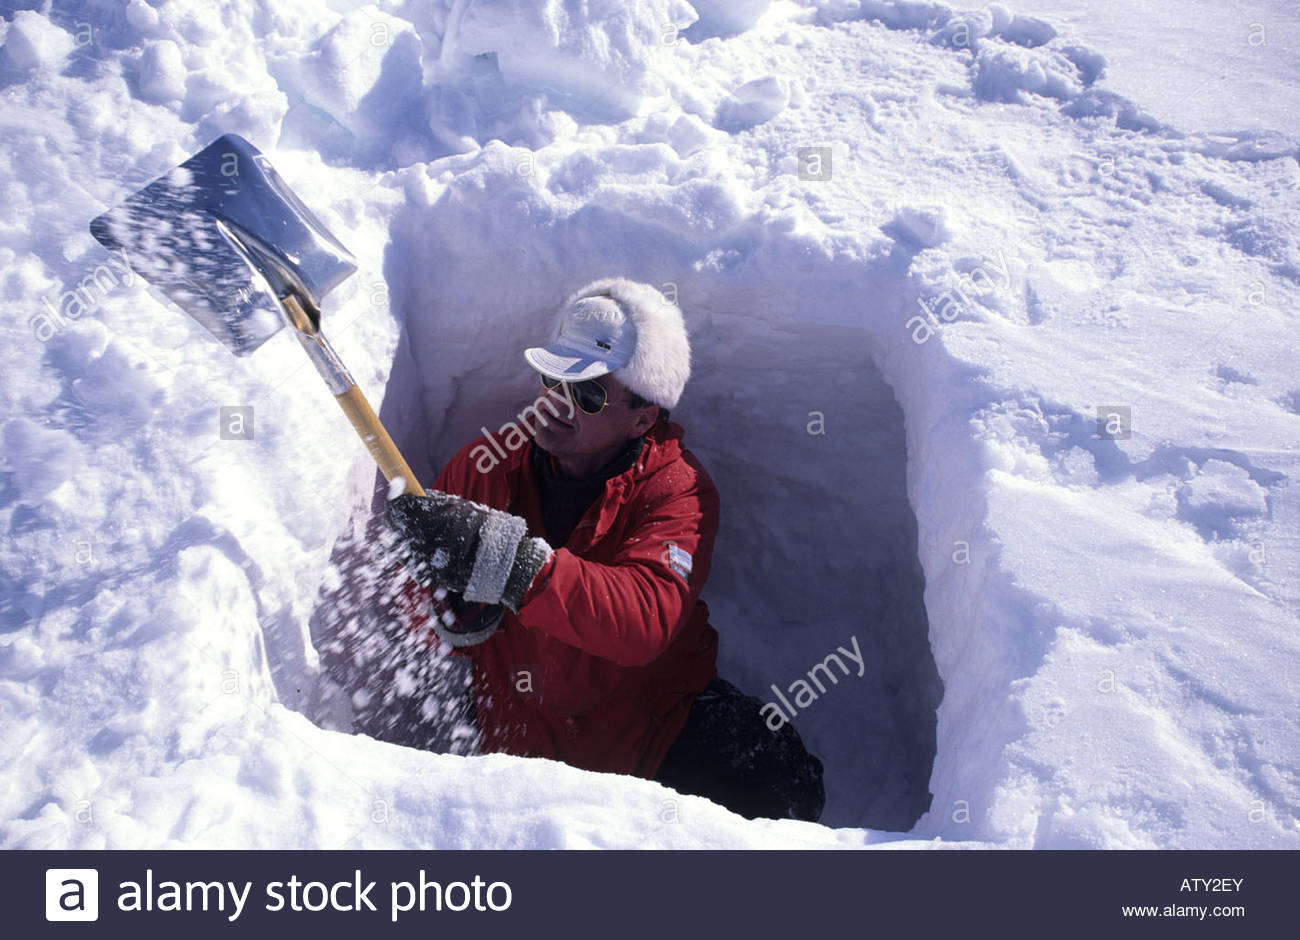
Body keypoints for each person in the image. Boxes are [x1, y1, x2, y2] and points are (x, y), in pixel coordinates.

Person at [384, 277, 825, 822]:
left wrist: (514, 568)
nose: (556, 400)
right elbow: (419, 609)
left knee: (780, 779)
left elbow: (645, 619)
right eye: (551, 376)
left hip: (649, 731)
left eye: (587, 393)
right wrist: (449, 615)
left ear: (643, 418)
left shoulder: (677, 489)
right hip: (520, 740)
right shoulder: (486, 466)